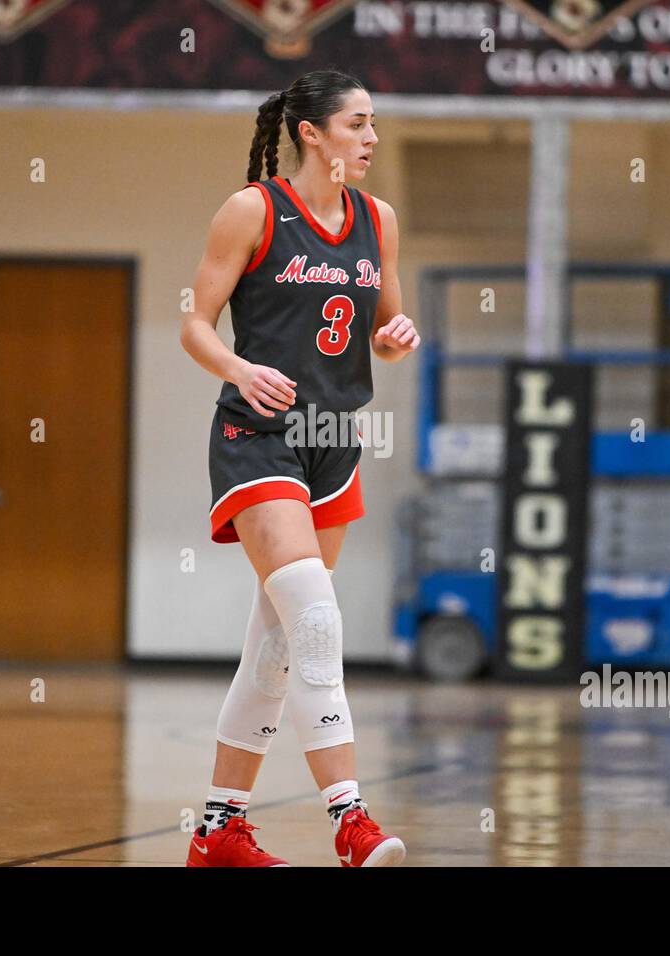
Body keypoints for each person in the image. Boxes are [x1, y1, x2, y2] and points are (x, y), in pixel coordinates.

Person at [178, 69, 420, 866]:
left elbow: (382, 323)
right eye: (357, 123)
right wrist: (238, 370)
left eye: (375, 123)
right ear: (311, 132)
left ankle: (217, 831)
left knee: (279, 644)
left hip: (333, 439)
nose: (372, 137)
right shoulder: (253, 209)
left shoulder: (376, 220)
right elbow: (195, 324)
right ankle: (349, 820)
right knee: (315, 622)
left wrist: (394, 337)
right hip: (259, 435)